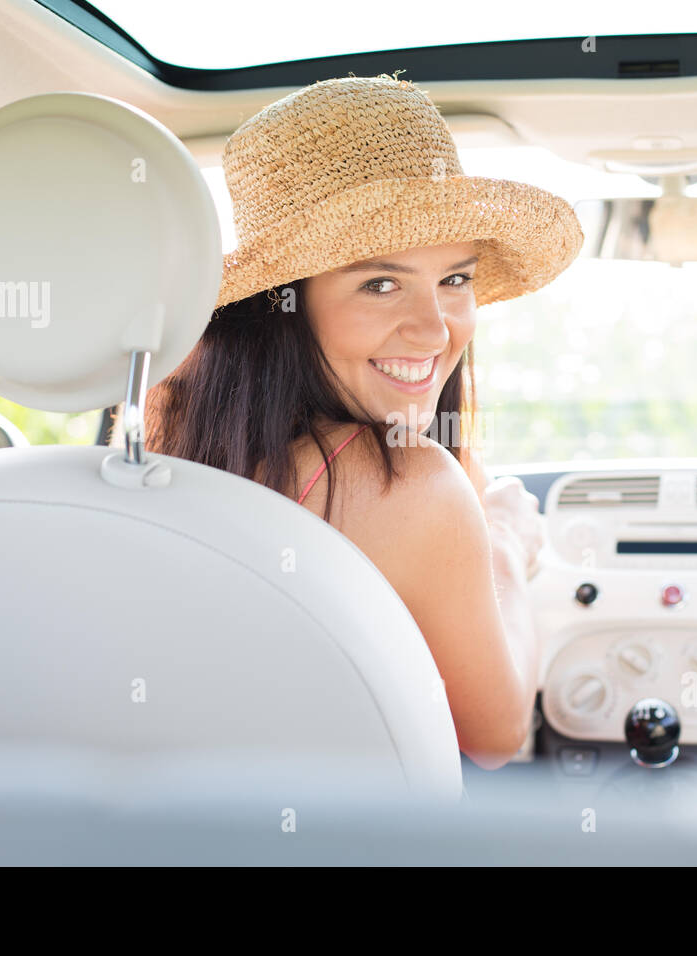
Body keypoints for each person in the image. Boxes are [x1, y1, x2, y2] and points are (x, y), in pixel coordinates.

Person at [144, 74, 583, 770]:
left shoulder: (170, 426)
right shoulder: (410, 488)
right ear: (280, 304)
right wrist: (505, 541)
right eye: (380, 284)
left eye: (456, 280)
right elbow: (496, 737)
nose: (434, 328)